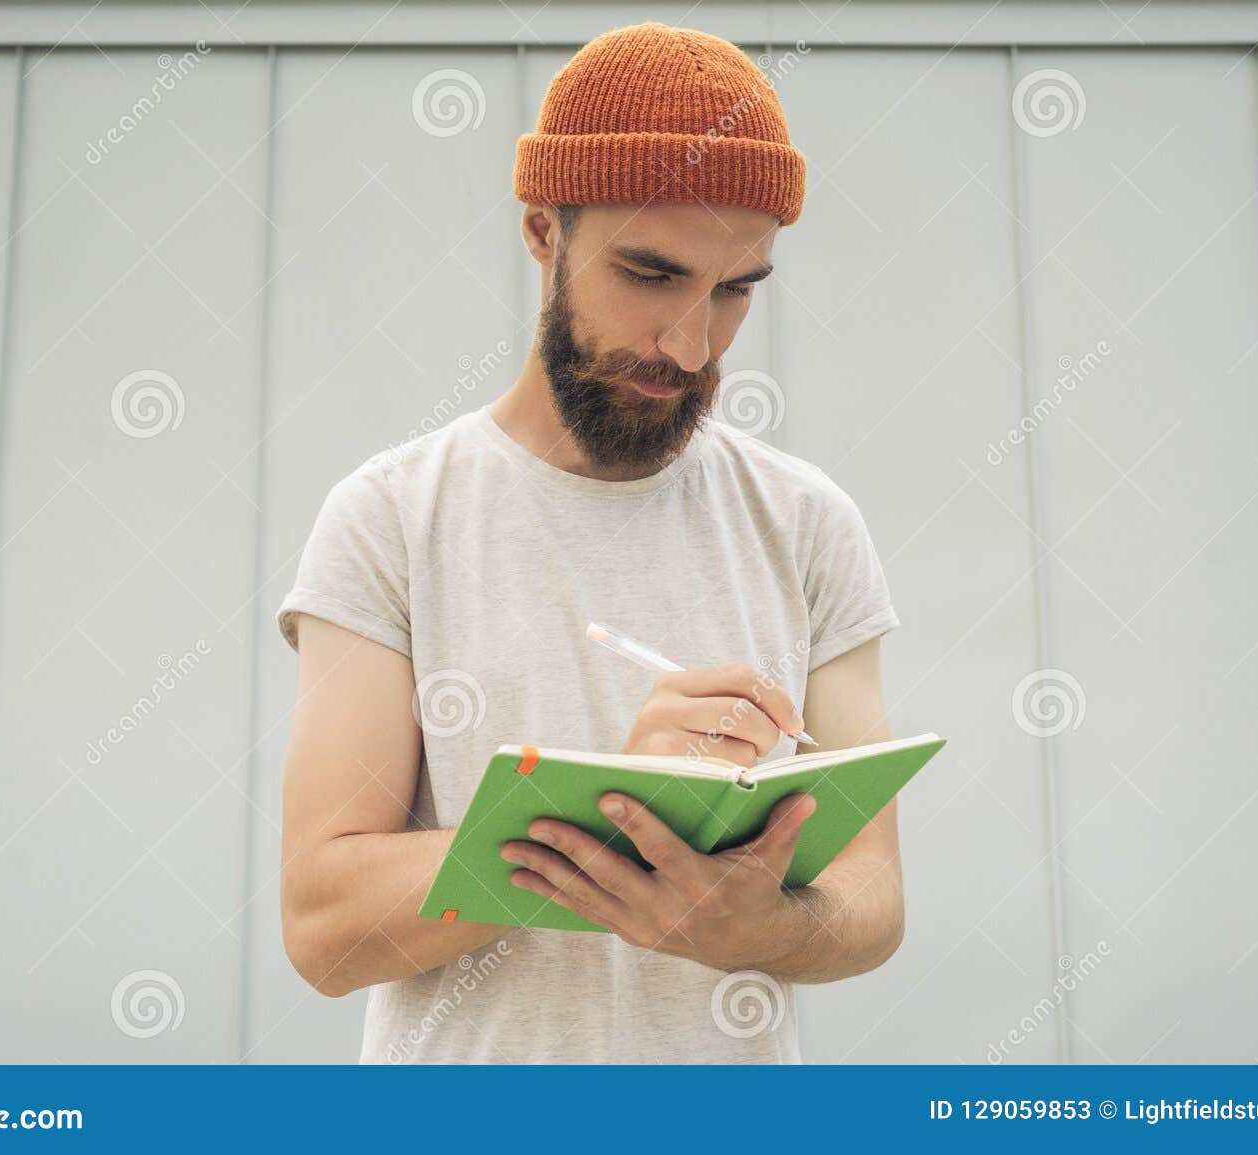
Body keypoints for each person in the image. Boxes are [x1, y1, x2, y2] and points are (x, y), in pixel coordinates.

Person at [276, 21, 904, 1063]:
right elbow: (324, 926)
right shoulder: (390, 516)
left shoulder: (808, 524)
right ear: (541, 231)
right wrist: (609, 810)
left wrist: (772, 927)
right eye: (650, 274)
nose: (690, 344)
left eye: (736, 288)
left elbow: (872, 897)